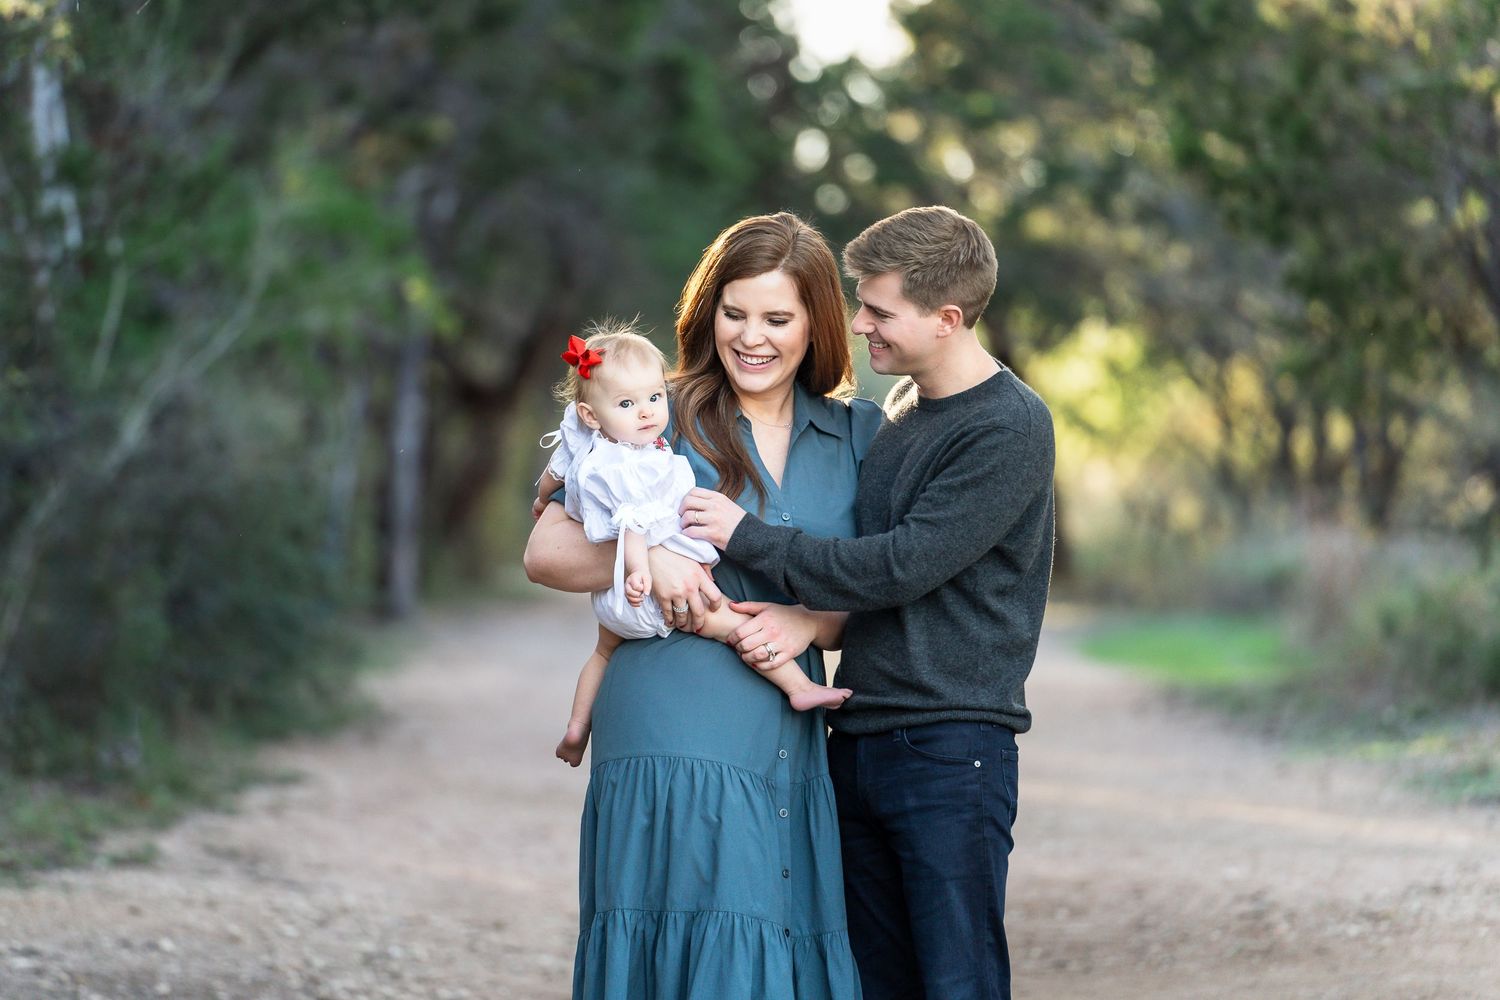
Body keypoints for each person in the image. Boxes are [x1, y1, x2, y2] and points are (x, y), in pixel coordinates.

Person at [680, 206, 1056, 1000]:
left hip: (953, 746)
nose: (859, 325)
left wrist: (747, 537)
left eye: (878, 310)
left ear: (946, 319)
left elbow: (899, 565)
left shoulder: (1009, 425)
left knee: (958, 979)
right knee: (873, 982)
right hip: (858, 733)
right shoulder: (901, 415)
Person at [523, 212, 881, 999]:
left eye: (778, 319)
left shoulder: (860, 434)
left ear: (816, 324)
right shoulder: (651, 410)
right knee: (701, 943)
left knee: (777, 941)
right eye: (734, 313)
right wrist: (643, 554)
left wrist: (814, 624)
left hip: (791, 731)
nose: (752, 338)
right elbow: (544, 554)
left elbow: (884, 580)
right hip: (673, 719)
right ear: (707, 311)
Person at [537, 320, 853, 766]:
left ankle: (576, 727)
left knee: (603, 652)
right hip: (651, 592)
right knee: (732, 624)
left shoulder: (588, 447)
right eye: (627, 403)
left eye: (653, 397)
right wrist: (645, 564)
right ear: (592, 414)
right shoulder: (631, 463)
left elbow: (557, 470)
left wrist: (541, 494)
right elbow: (630, 524)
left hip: (615, 605)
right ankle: (799, 687)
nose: (646, 412)